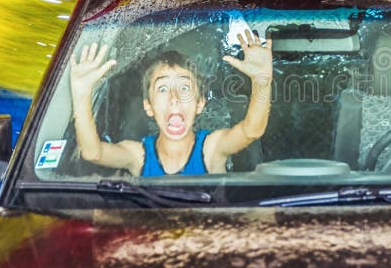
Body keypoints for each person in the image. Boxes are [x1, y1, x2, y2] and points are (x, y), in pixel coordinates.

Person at [69, 31, 272, 175]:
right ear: (148, 106)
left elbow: (251, 131)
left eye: (184, 88)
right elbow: (92, 152)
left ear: (200, 103)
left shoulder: (211, 149)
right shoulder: (137, 155)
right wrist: (81, 94)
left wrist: (262, 82)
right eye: (163, 89)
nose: (174, 97)